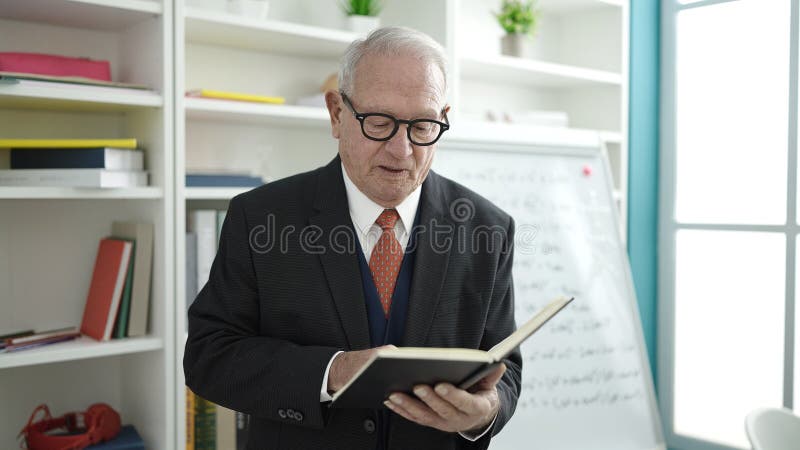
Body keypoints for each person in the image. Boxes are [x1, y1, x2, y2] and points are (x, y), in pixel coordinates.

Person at [184, 26, 521, 450]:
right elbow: (208, 358)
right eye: (379, 123)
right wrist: (333, 371)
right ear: (337, 114)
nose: (401, 150)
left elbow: (506, 373)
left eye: (422, 127)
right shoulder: (258, 217)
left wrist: (486, 412)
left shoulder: (489, 229)